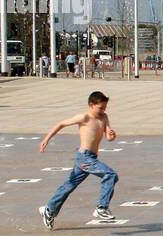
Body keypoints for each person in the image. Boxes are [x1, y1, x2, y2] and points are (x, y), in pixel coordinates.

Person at [38, 91, 120, 227]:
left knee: (69, 185)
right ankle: (102, 208)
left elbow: (109, 137)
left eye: (104, 108)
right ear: (91, 105)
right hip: (84, 157)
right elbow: (61, 124)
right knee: (110, 174)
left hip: (91, 158)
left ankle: (49, 209)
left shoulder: (104, 117)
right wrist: (46, 139)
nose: (103, 111)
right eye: (100, 108)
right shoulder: (84, 117)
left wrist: (112, 135)